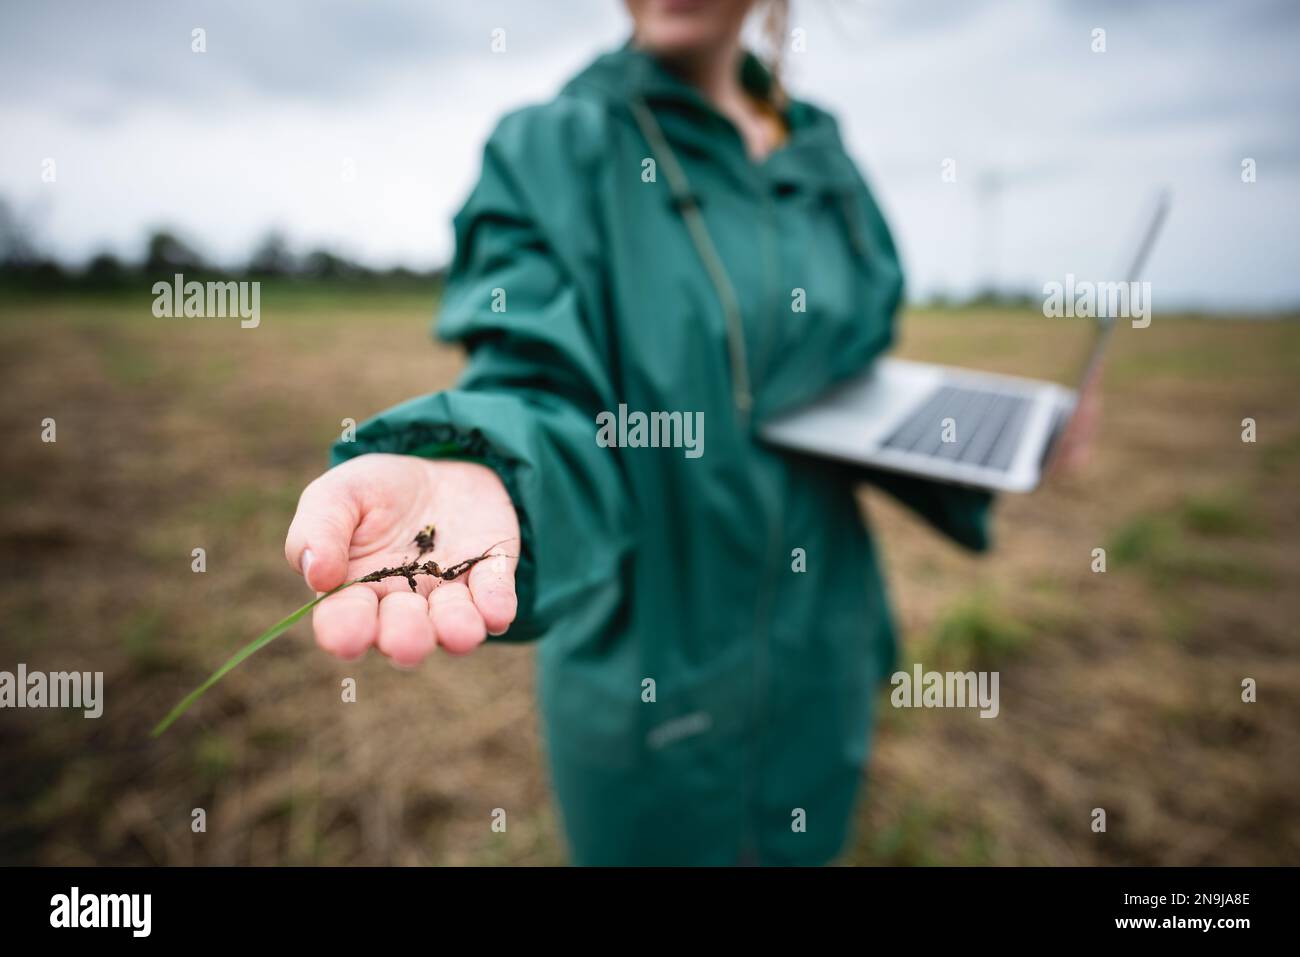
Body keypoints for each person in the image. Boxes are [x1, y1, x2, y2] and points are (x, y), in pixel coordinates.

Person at [283, 0, 1096, 865]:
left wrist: (998, 440)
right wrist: (495, 470)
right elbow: (541, 382)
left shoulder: (824, 157)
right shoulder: (553, 150)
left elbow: (852, 378)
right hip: (654, 677)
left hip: (825, 645)